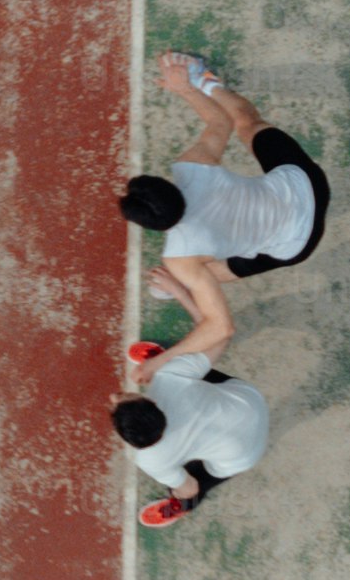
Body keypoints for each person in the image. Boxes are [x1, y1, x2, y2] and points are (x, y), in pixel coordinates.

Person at [116, 54, 323, 363]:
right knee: (247, 124)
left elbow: (222, 328)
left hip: (298, 241)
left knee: (201, 274)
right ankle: (204, 80)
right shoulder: (192, 167)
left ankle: (178, 286)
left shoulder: (181, 256)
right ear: (167, 183)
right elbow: (221, 121)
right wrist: (185, 88)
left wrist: (158, 361)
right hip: (307, 185)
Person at [114, 349, 268, 529]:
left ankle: (181, 507)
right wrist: (161, 364)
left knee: (185, 490)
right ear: (151, 402)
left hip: (245, 455)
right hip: (249, 400)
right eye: (122, 398)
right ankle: (163, 358)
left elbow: (190, 489)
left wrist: (181, 492)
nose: (112, 397)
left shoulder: (152, 459)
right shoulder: (168, 378)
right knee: (183, 366)